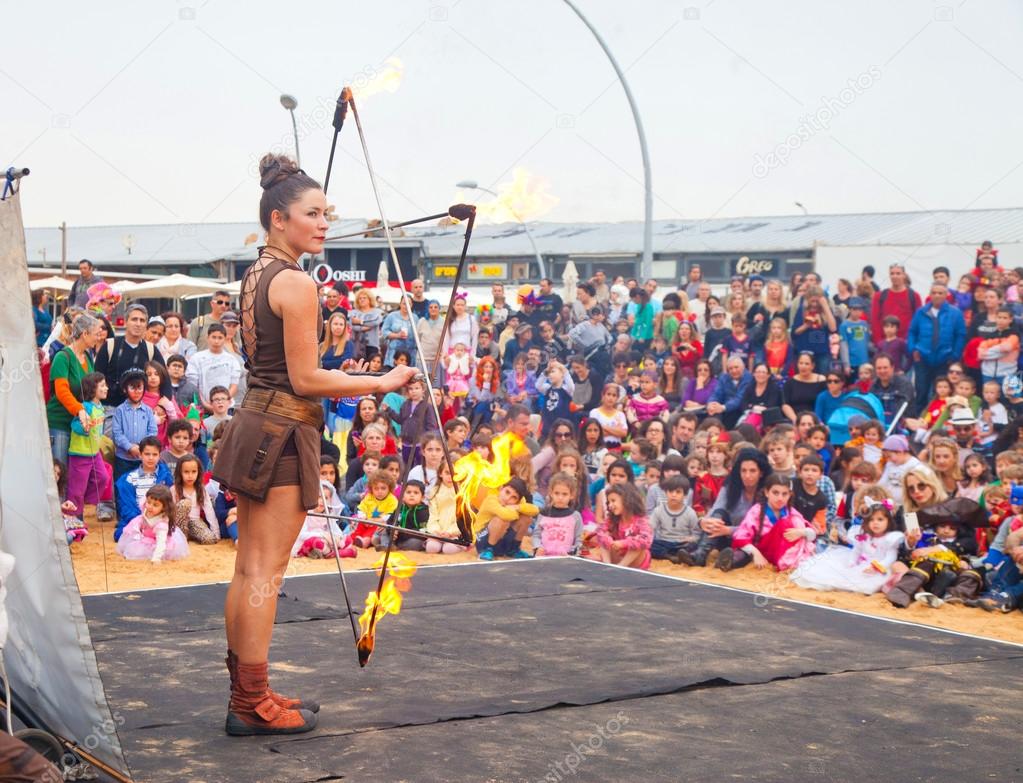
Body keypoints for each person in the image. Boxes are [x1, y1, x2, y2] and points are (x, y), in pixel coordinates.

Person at [212, 154, 418, 736]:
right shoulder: (298, 281)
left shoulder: (258, 272)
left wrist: (340, 370)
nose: (325, 223)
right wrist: (379, 380)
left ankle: (246, 691)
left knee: (248, 569)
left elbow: (287, 367)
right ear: (280, 219)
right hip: (279, 434)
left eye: (327, 213)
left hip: (256, 423)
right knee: (263, 576)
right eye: (313, 214)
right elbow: (306, 381)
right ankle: (250, 703)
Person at [791, 501, 904, 594]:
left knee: (865, 583)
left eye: (880, 520)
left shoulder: (890, 539)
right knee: (835, 570)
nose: (875, 523)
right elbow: (856, 550)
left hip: (879, 569)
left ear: (888, 521)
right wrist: (851, 562)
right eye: (871, 520)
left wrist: (877, 567)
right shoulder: (865, 536)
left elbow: (890, 558)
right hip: (861, 564)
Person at [717, 472, 816, 572]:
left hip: (786, 555)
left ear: (790, 495)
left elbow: (812, 534)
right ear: (767, 492)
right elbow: (741, 536)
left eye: (784, 494)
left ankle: (792, 562)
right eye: (775, 493)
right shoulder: (756, 511)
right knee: (742, 555)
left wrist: (802, 532)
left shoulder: (792, 513)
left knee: (793, 524)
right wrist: (756, 553)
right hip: (763, 553)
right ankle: (728, 561)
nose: (780, 498)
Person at [46, 312, 102, 464]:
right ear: (85, 333)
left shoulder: (88, 357)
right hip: (61, 423)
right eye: (96, 334)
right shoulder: (62, 357)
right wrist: (79, 410)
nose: (99, 337)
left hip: (81, 426)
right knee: (61, 472)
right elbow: (61, 391)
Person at [907, 281, 966, 407]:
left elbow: (960, 335)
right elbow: (912, 332)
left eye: (940, 293)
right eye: (934, 293)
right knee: (921, 391)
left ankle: (937, 420)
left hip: (944, 360)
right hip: (922, 358)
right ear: (930, 294)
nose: (937, 295)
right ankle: (920, 419)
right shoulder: (921, 312)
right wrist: (913, 350)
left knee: (940, 393)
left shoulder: (955, 313)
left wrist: (954, 355)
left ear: (946, 295)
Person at [65, 372, 109, 523]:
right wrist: (84, 427)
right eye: (102, 385)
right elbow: (75, 425)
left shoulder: (100, 407)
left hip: (94, 453)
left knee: (103, 477)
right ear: (92, 389)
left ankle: (82, 502)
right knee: (76, 489)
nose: (106, 388)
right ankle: (73, 522)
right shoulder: (85, 407)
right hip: (80, 454)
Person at [114, 436, 173, 541]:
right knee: (121, 535)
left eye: (155, 454)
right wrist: (143, 521)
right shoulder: (129, 478)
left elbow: (170, 502)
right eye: (147, 454)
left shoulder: (166, 476)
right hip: (137, 520)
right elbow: (127, 507)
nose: (151, 458)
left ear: (160, 456)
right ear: (140, 455)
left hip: (160, 520)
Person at [116, 484, 188, 562]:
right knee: (130, 540)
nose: (150, 506)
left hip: (156, 543)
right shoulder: (146, 508)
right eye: (149, 502)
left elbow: (161, 544)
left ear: (164, 507)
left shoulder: (161, 525)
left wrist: (156, 558)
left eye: (155, 505)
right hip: (144, 536)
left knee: (140, 552)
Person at [587, 483, 652, 569]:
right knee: (603, 535)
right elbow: (599, 530)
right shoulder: (613, 519)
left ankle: (620, 568)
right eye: (608, 502)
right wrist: (607, 539)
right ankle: (607, 565)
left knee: (638, 545)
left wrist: (623, 543)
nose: (610, 505)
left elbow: (646, 540)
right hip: (618, 557)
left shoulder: (640, 520)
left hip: (636, 562)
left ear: (626, 500)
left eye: (613, 501)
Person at [185, 323, 241, 412]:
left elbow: (234, 385)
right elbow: (193, 386)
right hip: (202, 408)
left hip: (226, 408)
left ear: (225, 339)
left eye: (220, 338)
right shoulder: (196, 358)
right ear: (207, 338)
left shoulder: (232, 359)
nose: (216, 341)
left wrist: (222, 402)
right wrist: (205, 404)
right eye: (213, 337)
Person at [531, 472, 584, 557]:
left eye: (564, 494)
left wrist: (572, 553)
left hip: (565, 559)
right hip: (543, 558)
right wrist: (538, 547)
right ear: (551, 493)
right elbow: (536, 535)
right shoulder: (544, 514)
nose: (560, 497)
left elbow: (579, 539)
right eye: (557, 493)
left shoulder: (575, 516)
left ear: (572, 495)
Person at [172, 454, 219, 544]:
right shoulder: (174, 489)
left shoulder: (201, 489)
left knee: (209, 539)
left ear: (199, 472)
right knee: (185, 503)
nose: (190, 475)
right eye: (186, 472)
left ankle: (191, 535)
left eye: (194, 472)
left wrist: (216, 533)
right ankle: (182, 536)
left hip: (195, 522)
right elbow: (169, 512)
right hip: (178, 524)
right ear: (180, 473)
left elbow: (209, 510)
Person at [870, 263, 921, 345]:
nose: (895, 276)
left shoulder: (914, 296)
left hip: (907, 343)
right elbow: (875, 320)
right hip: (885, 343)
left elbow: (918, 321)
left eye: (898, 273)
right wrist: (879, 342)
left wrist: (913, 342)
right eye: (892, 273)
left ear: (904, 275)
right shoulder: (879, 296)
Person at [706, 356, 753, 429]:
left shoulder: (748, 378)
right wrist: (711, 404)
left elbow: (739, 399)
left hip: (739, 409)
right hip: (723, 409)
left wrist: (722, 407)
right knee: (712, 415)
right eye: (730, 368)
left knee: (731, 416)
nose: (733, 371)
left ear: (743, 367)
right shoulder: (724, 377)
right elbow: (716, 394)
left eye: (736, 367)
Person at [381, 296, 416, 366]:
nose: (406, 306)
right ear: (400, 304)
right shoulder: (391, 316)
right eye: (404, 303)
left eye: (409, 304)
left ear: (412, 305)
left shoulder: (415, 318)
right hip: (394, 352)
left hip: (410, 353)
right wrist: (397, 335)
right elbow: (384, 332)